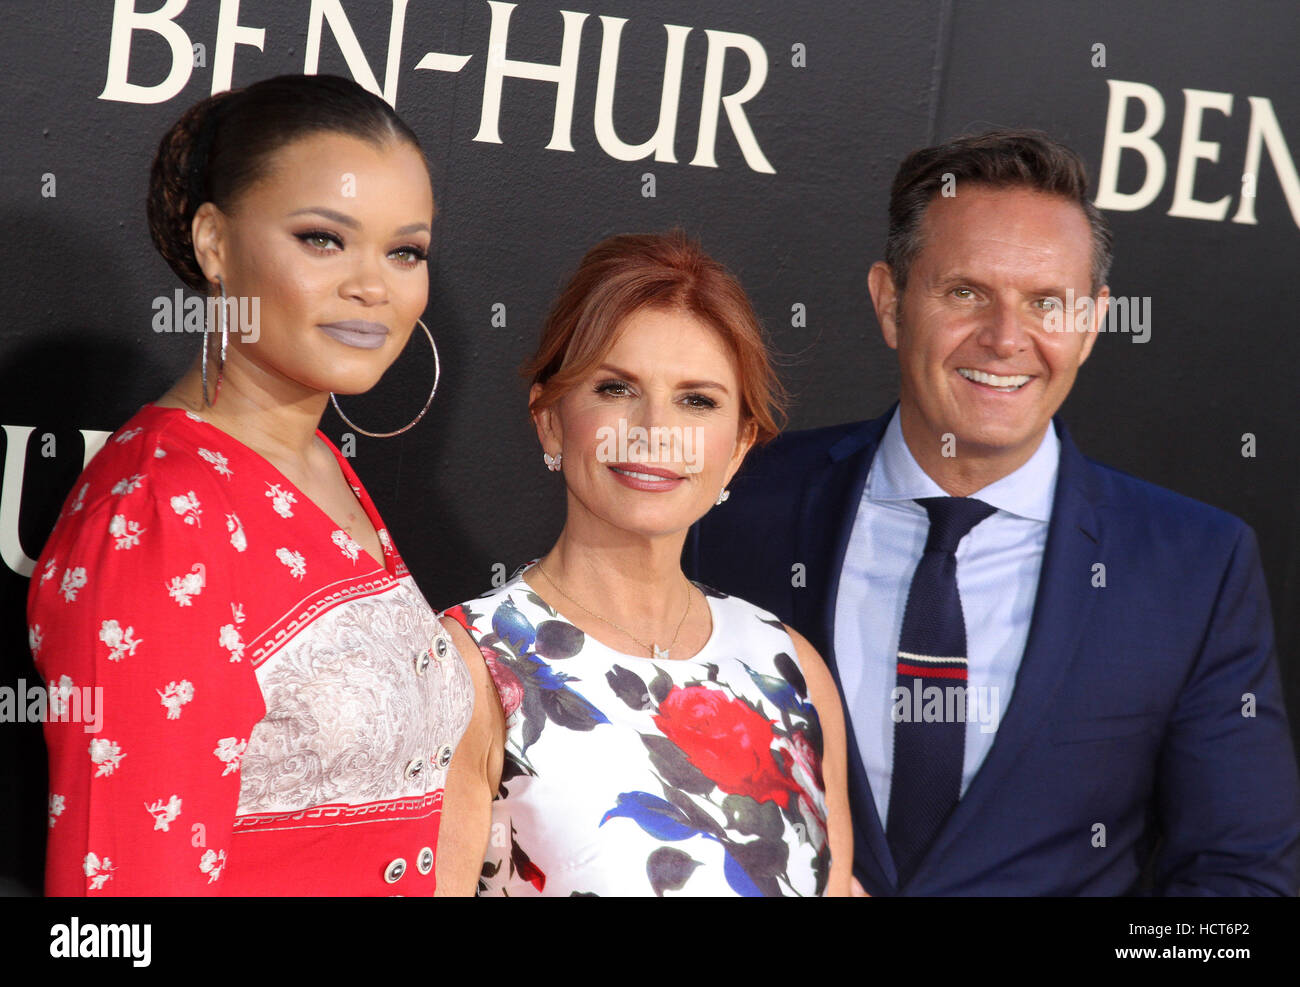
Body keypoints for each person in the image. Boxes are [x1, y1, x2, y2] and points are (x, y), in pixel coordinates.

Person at [687, 129, 1300, 896]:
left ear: (1090, 324)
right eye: (966, 292)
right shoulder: (735, 499)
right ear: (890, 303)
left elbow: (1240, 887)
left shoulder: (1194, 566)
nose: (1007, 338)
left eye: (1047, 302)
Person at [28, 74, 502, 896]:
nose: (373, 286)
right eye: (324, 238)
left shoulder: (321, 461)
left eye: (406, 250)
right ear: (214, 243)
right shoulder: (156, 512)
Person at [443, 231, 853, 896]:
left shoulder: (792, 670)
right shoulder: (469, 668)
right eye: (616, 387)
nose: (655, 429)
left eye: (698, 399)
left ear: (739, 444)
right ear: (550, 418)